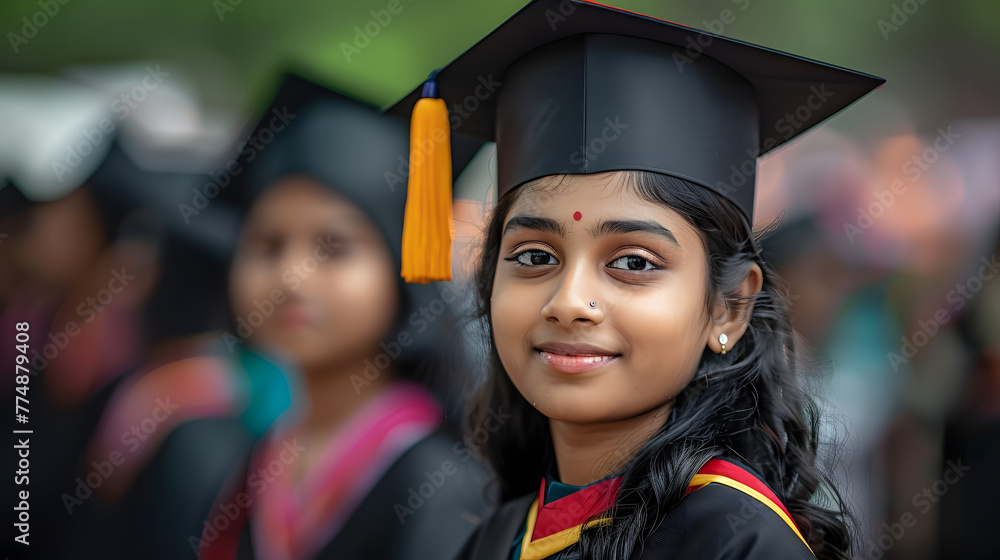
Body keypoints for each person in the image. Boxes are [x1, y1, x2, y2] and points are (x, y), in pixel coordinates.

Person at [387, 1, 884, 558]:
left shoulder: (736, 542)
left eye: (634, 263)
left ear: (729, 308)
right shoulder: (498, 537)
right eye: (532, 257)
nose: (570, 302)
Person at [198, 73, 490, 560]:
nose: (290, 277)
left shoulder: (438, 483)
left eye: (333, 247)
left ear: (405, 267)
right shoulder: (260, 460)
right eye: (267, 245)